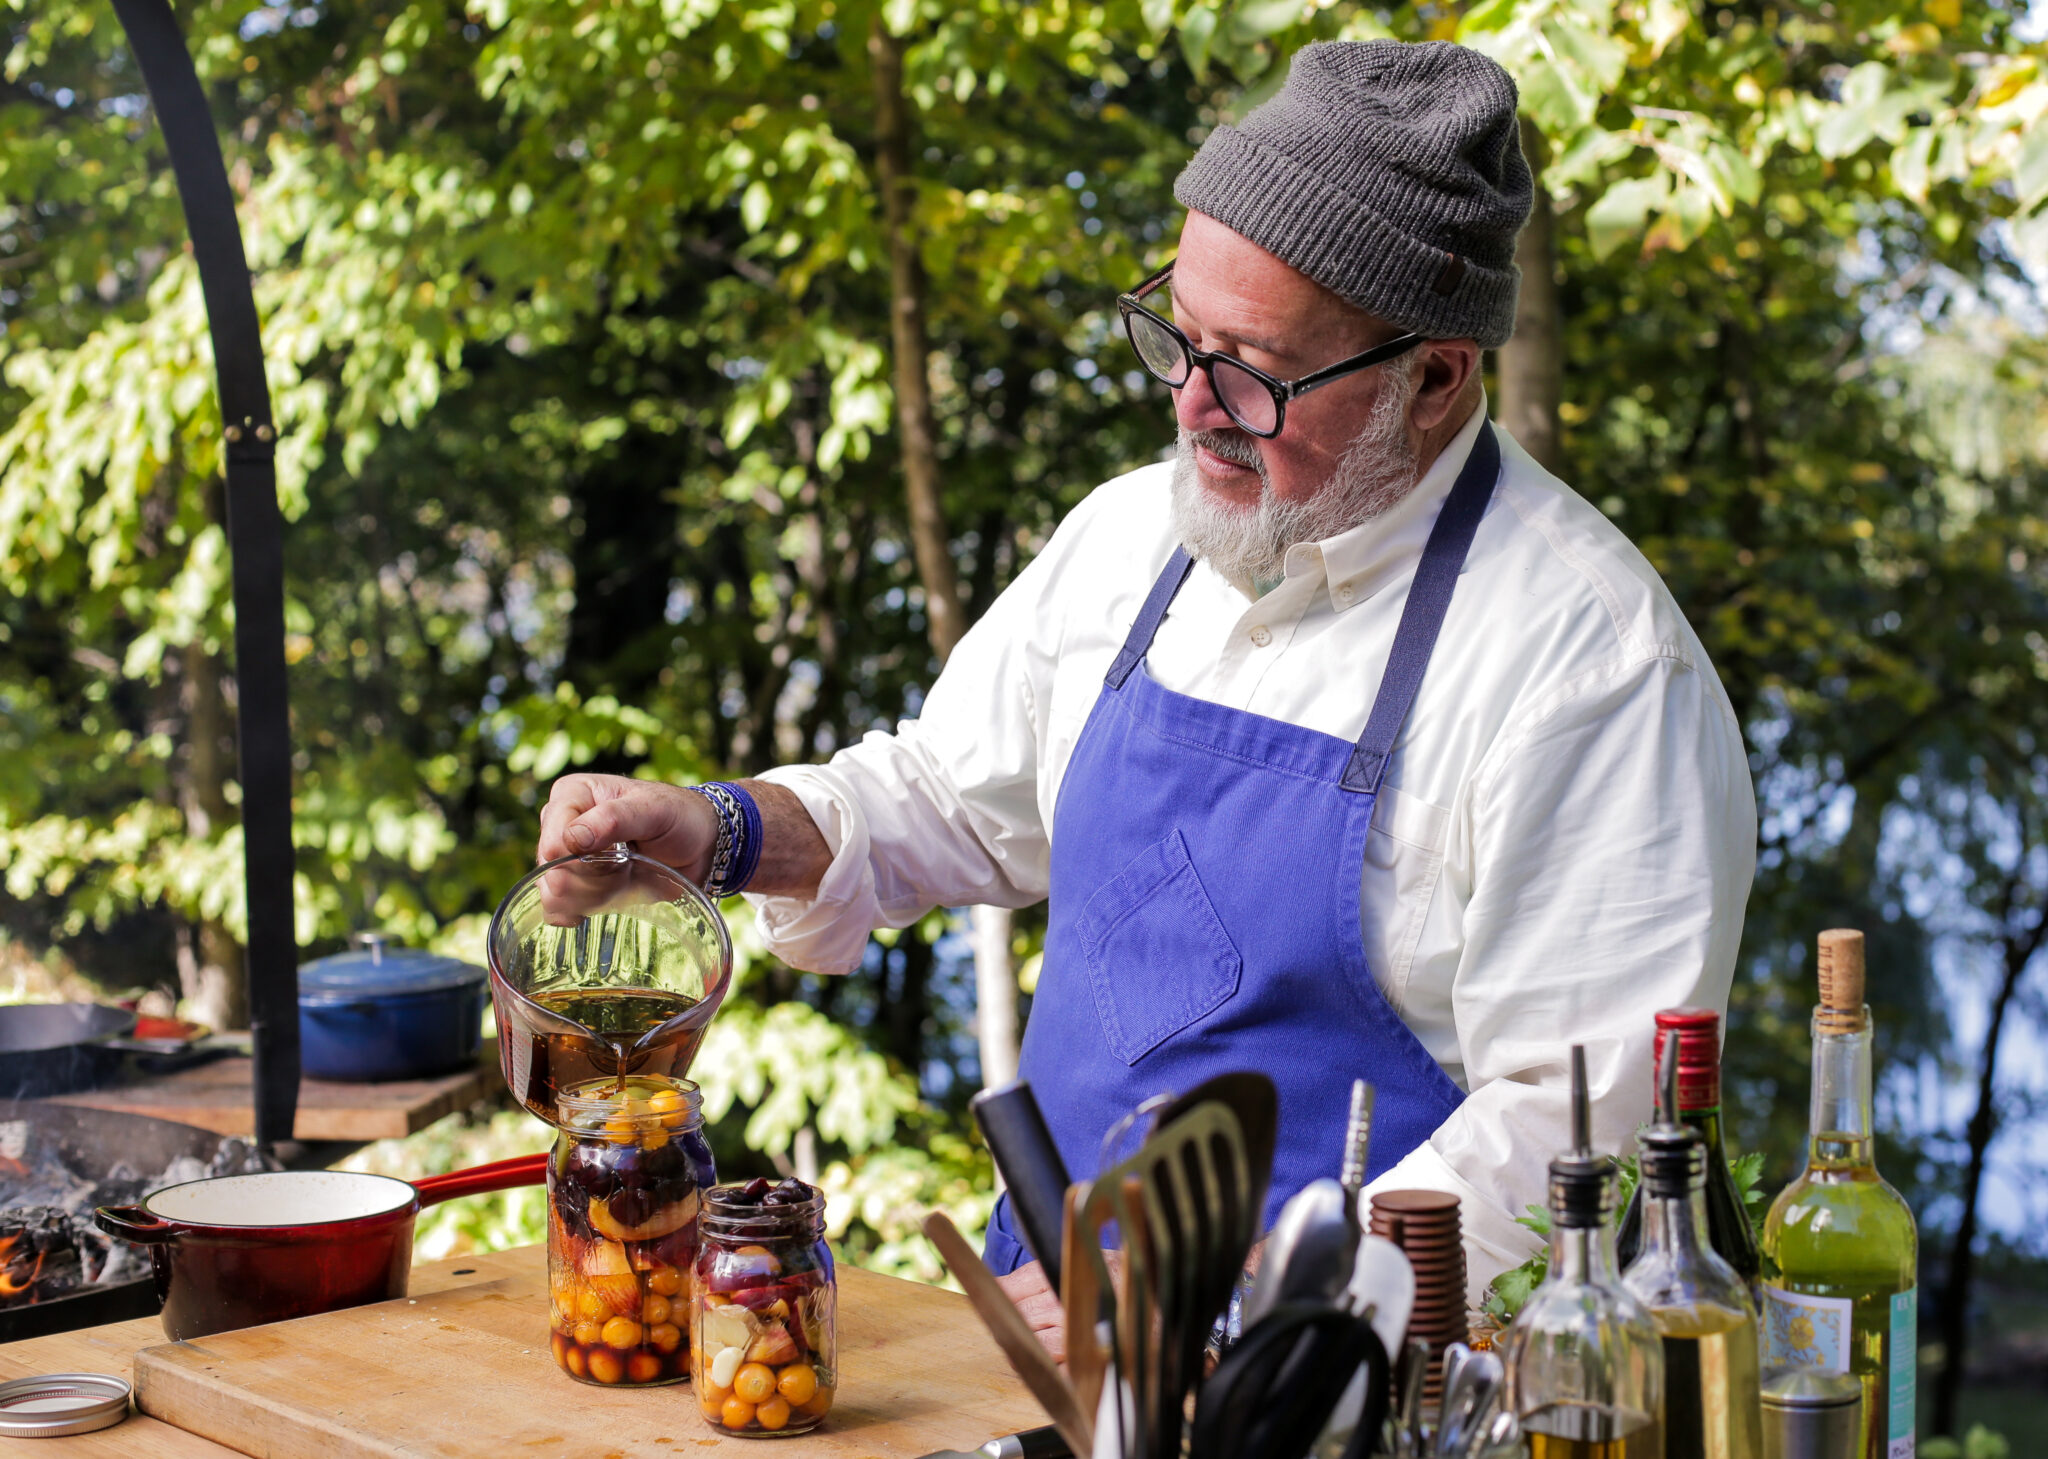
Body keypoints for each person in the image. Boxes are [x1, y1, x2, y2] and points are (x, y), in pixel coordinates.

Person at [535, 38, 1756, 1358]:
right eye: (1177, 334)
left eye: (1253, 370)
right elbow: (948, 796)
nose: (1191, 403)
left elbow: (1577, 1128)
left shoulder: (1589, 664)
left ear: (1437, 376)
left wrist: (1233, 1314)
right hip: (1043, 1349)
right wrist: (717, 830)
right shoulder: (1134, 541)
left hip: (1344, 1394)